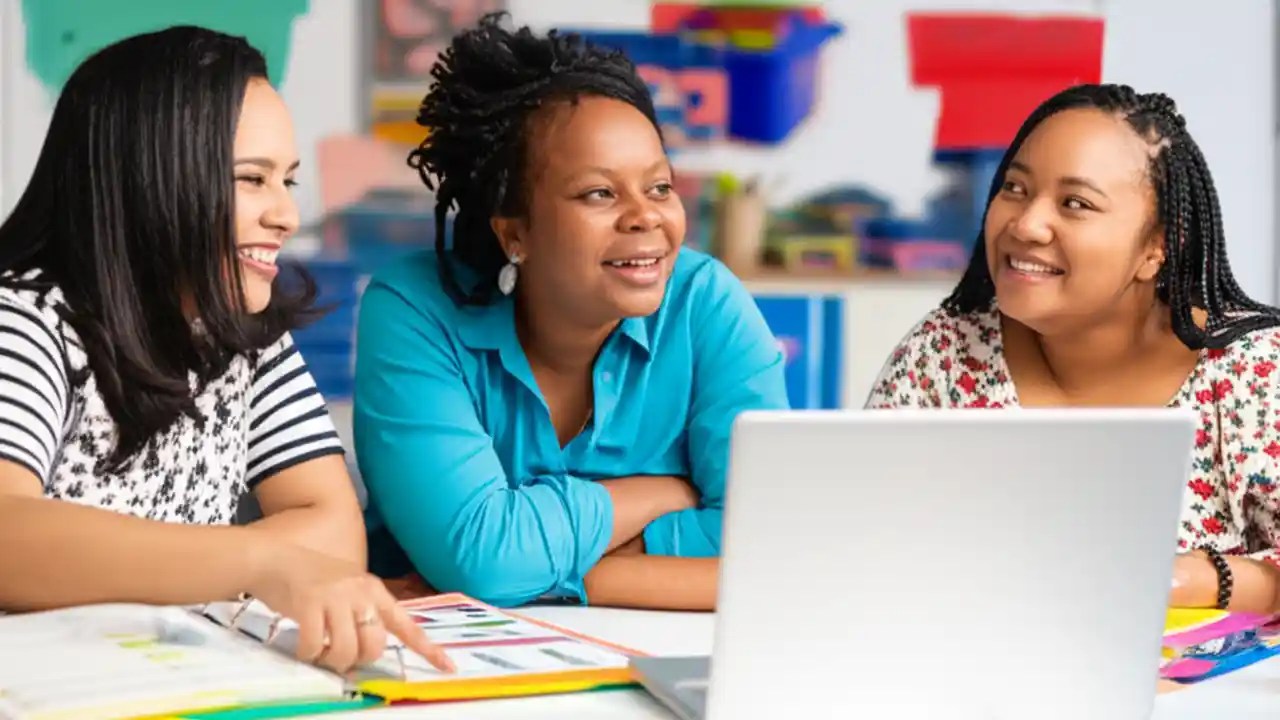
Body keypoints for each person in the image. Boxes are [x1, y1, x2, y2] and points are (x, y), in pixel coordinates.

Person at [0, 26, 451, 674]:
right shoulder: (26, 319)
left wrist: (257, 562)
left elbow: (334, 532)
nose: (286, 216)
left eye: (287, 181)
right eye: (253, 179)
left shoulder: (246, 335)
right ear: (149, 180)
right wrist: (257, 560)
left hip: (174, 678)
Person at [354, 13, 788, 610]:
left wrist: (554, 575)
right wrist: (660, 494)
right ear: (515, 233)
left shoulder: (705, 304)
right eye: (599, 193)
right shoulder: (414, 308)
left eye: (660, 187)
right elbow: (481, 556)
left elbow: (769, 545)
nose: (646, 216)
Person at [866, 83, 1280, 614]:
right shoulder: (943, 353)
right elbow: (866, 542)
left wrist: (1196, 580)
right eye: (1015, 188)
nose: (1026, 224)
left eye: (1076, 203)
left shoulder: (1255, 374)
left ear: (1158, 247)